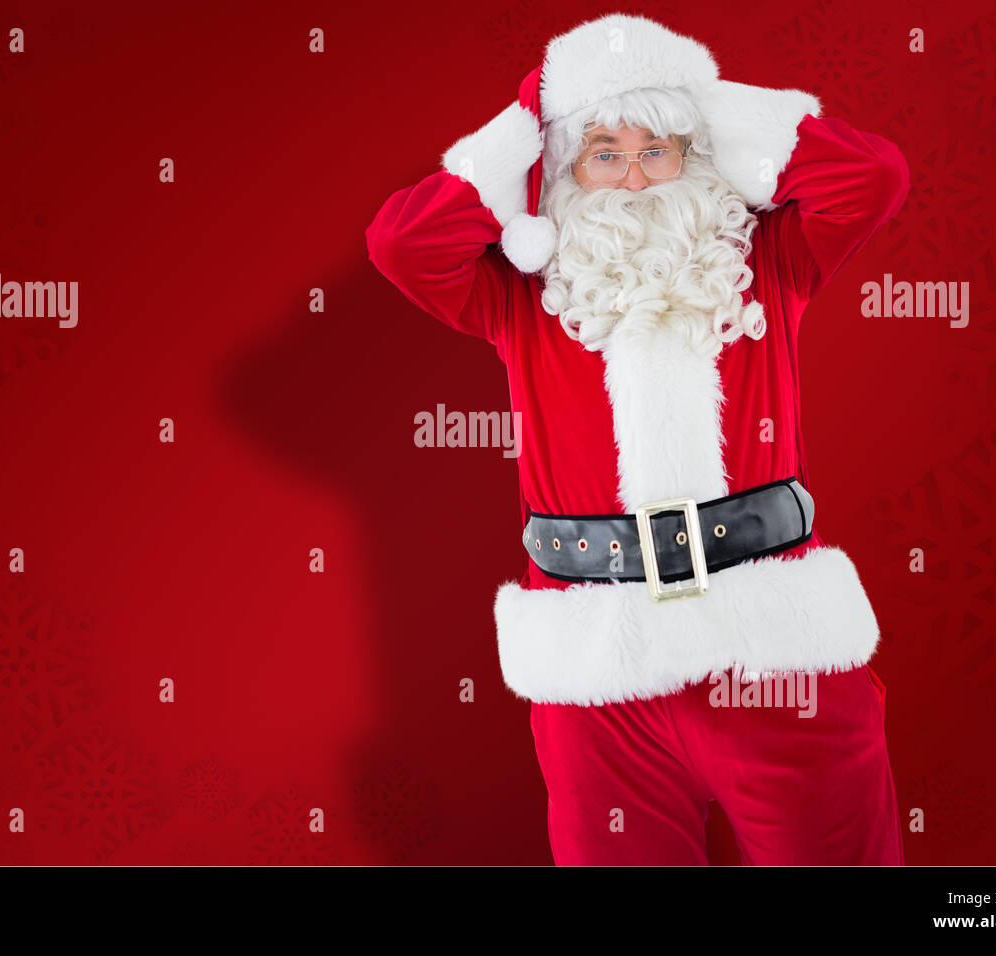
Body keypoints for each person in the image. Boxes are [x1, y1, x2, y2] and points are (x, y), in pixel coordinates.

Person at [366, 12, 908, 865]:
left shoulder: (769, 257)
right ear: (564, 170)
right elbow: (403, 241)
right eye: (603, 152)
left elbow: (873, 175)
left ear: (698, 156)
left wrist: (704, 98)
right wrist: (529, 119)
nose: (631, 181)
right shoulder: (520, 294)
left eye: (658, 149)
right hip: (598, 678)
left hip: (772, 653)